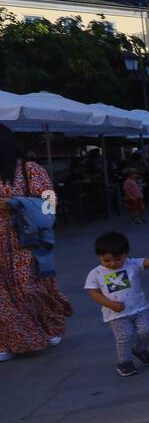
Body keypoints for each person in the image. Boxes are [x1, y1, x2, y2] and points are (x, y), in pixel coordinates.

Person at [0, 125, 72, 362]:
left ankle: (50, 326)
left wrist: (14, 202)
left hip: (24, 237)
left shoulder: (28, 169)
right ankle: (10, 340)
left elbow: (50, 200)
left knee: (30, 287)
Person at [84, 230, 149, 377]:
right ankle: (124, 362)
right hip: (116, 314)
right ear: (99, 256)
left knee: (147, 330)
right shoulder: (96, 273)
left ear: (125, 254)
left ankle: (140, 350)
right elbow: (93, 292)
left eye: (117, 259)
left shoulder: (132, 264)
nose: (112, 263)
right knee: (124, 337)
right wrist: (109, 304)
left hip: (139, 308)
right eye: (107, 260)